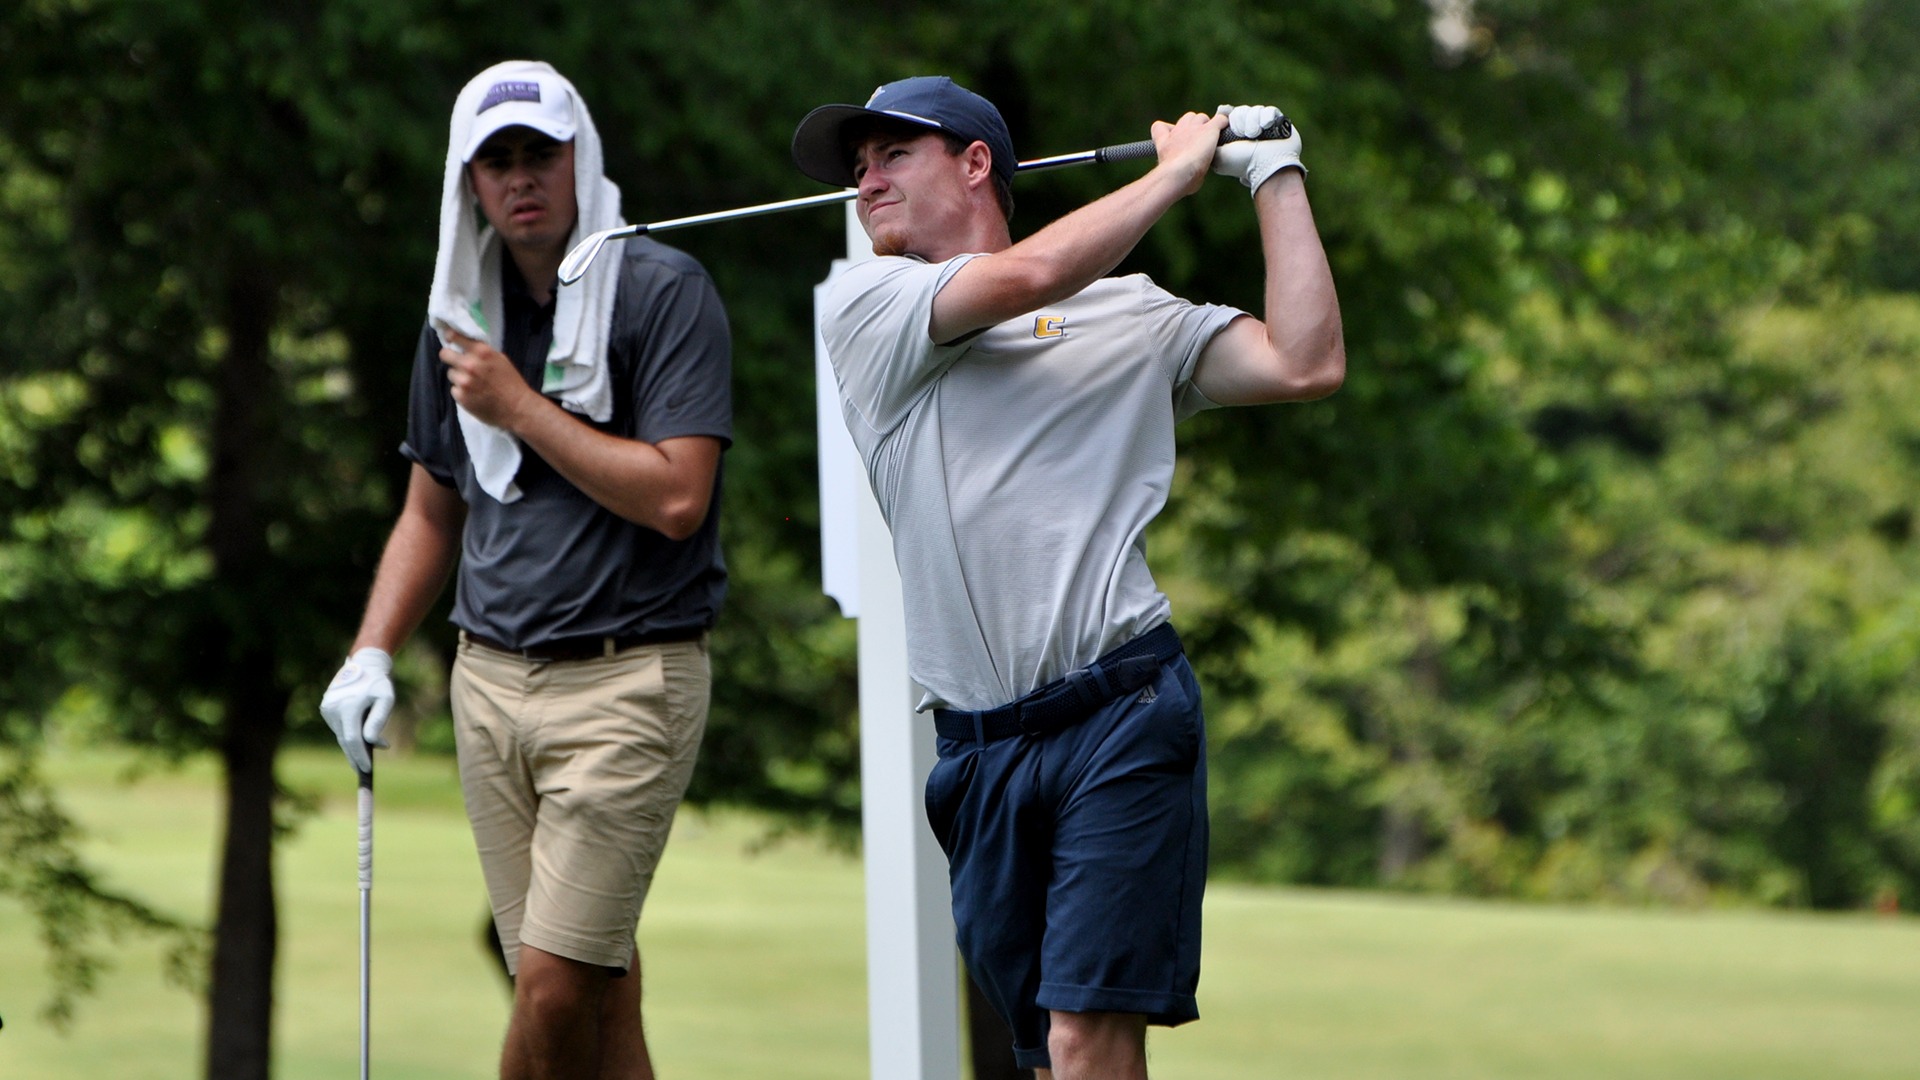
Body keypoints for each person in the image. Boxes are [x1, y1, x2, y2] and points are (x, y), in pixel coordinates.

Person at [792, 77, 1344, 1078]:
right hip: (980, 751)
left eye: (892, 155)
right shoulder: (872, 308)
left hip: (1122, 713)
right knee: (1047, 1057)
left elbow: (1304, 364)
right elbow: (1031, 274)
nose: (865, 181)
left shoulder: (1131, 314)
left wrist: (1274, 172)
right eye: (857, 166)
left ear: (975, 164)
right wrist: (1175, 176)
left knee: (1087, 1039)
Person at [320, 60, 731, 1080]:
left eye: (538, 153)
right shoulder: (458, 316)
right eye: (495, 160)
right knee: (599, 992)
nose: (519, 178)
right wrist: (371, 652)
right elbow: (432, 507)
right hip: (489, 686)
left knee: (550, 988)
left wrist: (518, 408)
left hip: (629, 681)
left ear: (577, 155)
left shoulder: (661, 289)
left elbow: (678, 496)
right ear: (468, 182)